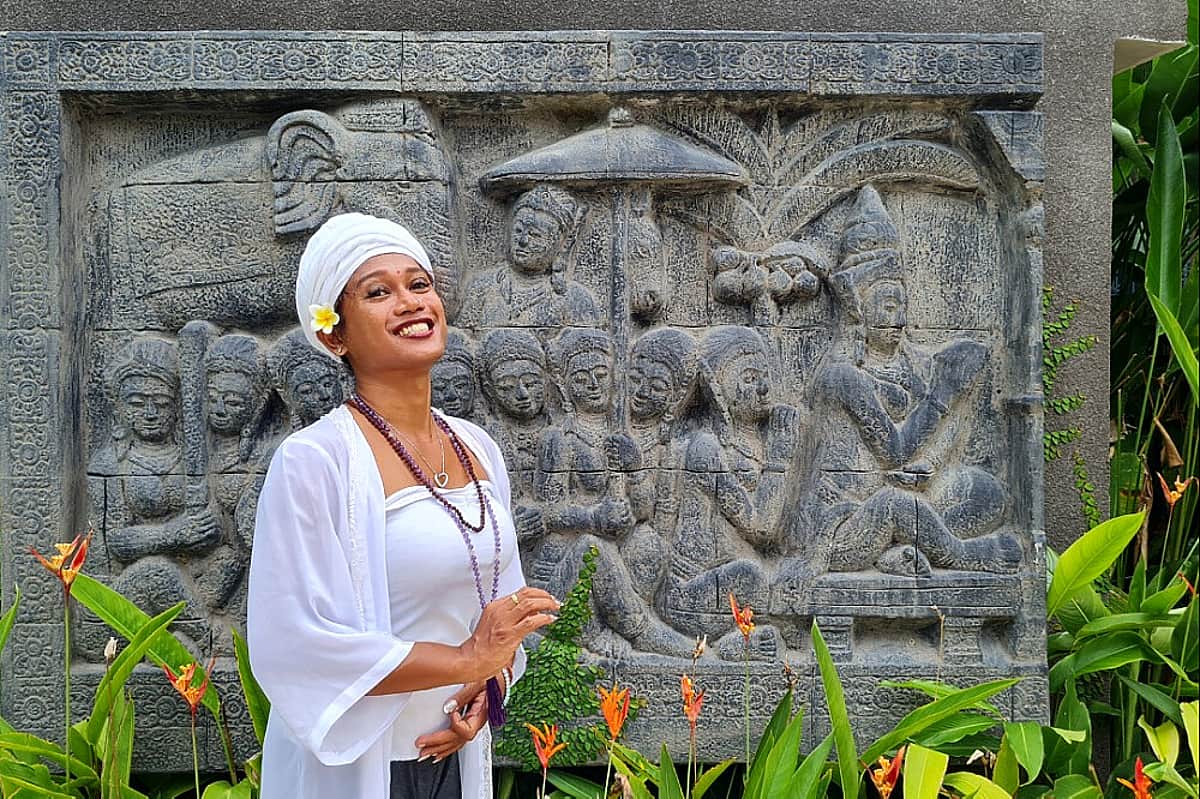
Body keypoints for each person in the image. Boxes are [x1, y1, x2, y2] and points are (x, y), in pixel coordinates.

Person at [247, 212, 559, 798]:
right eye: (378, 292)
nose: (411, 303)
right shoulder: (314, 461)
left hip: (453, 754)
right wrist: (467, 658)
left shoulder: (478, 449)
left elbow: (498, 602)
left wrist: (487, 682)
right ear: (333, 334)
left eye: (419, 285)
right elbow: (295, 640)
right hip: (361, 767)